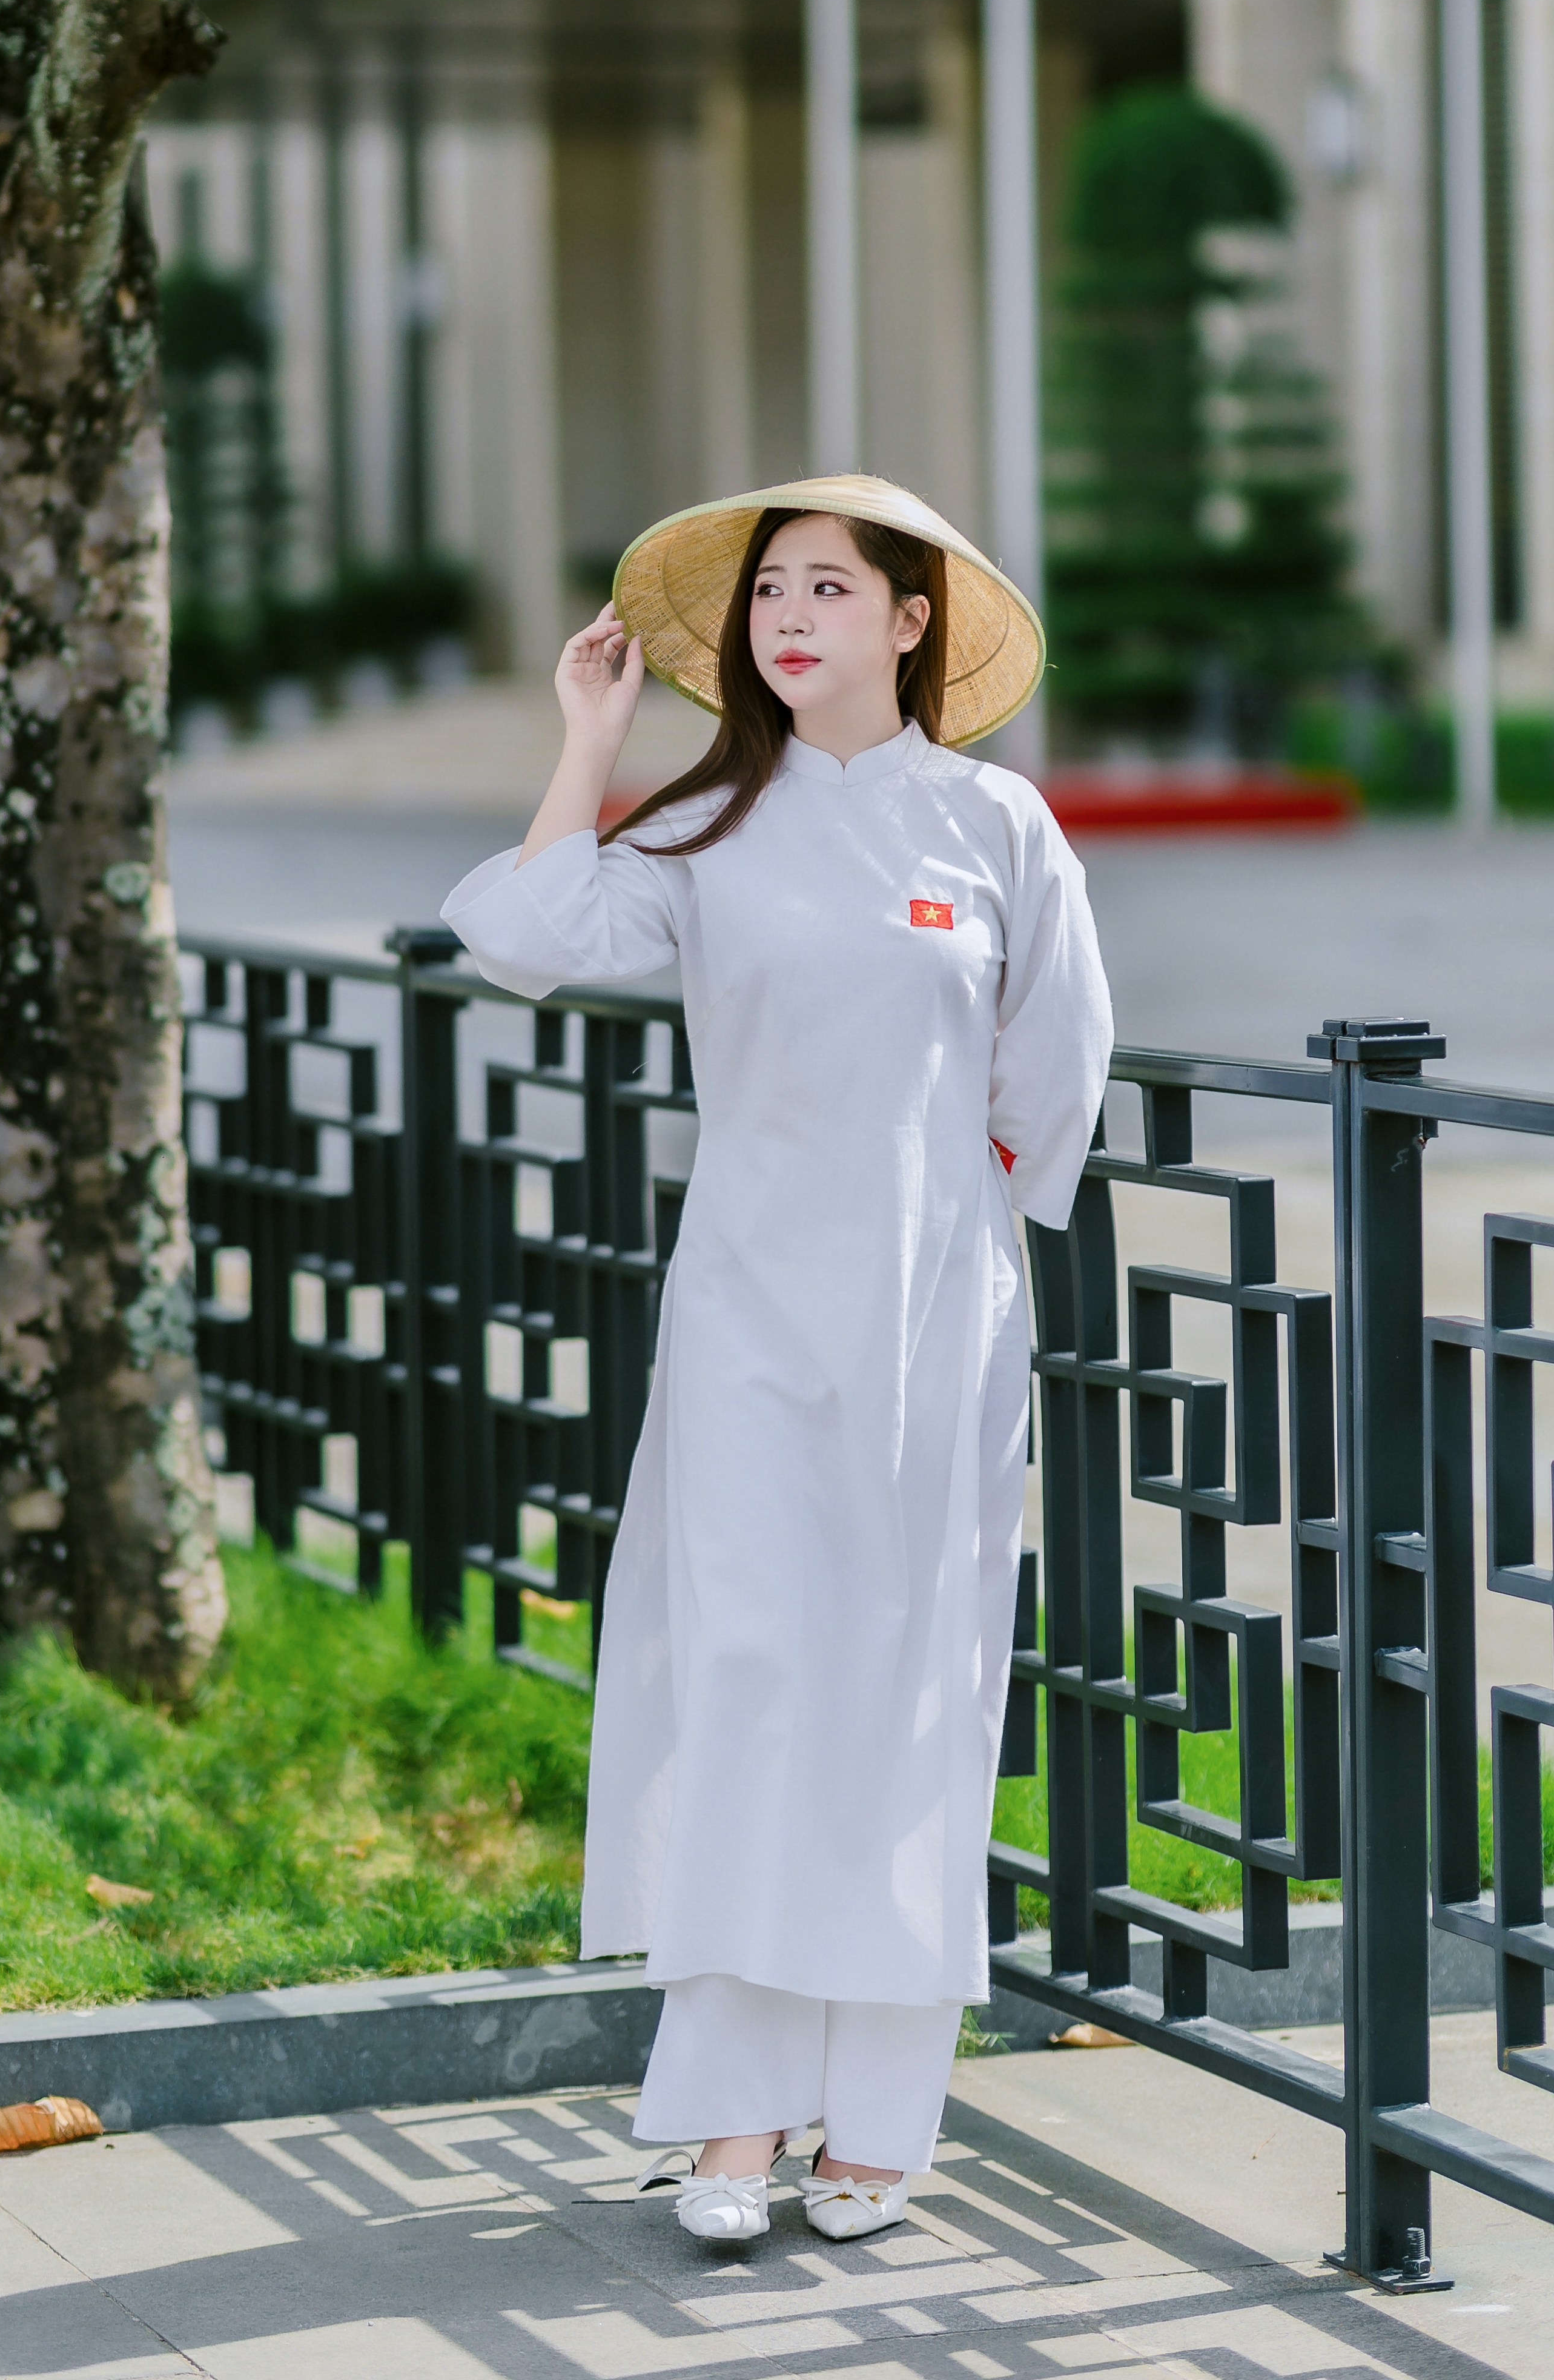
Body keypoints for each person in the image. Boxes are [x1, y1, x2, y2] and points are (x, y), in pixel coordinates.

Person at [441, 473, 1112, 2246]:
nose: (789, 619)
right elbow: (518, 937)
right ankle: (731, 2118)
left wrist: (945, 1216)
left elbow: (1056, 1065)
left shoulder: (996, 826)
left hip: (929, 1328)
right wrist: (588, 739)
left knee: (908, 1694)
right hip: (743, 1318)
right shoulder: (703, 829)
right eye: (767, 596)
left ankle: (883, 2119)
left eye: (830, 587)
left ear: (913, 622)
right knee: (744, 1683)